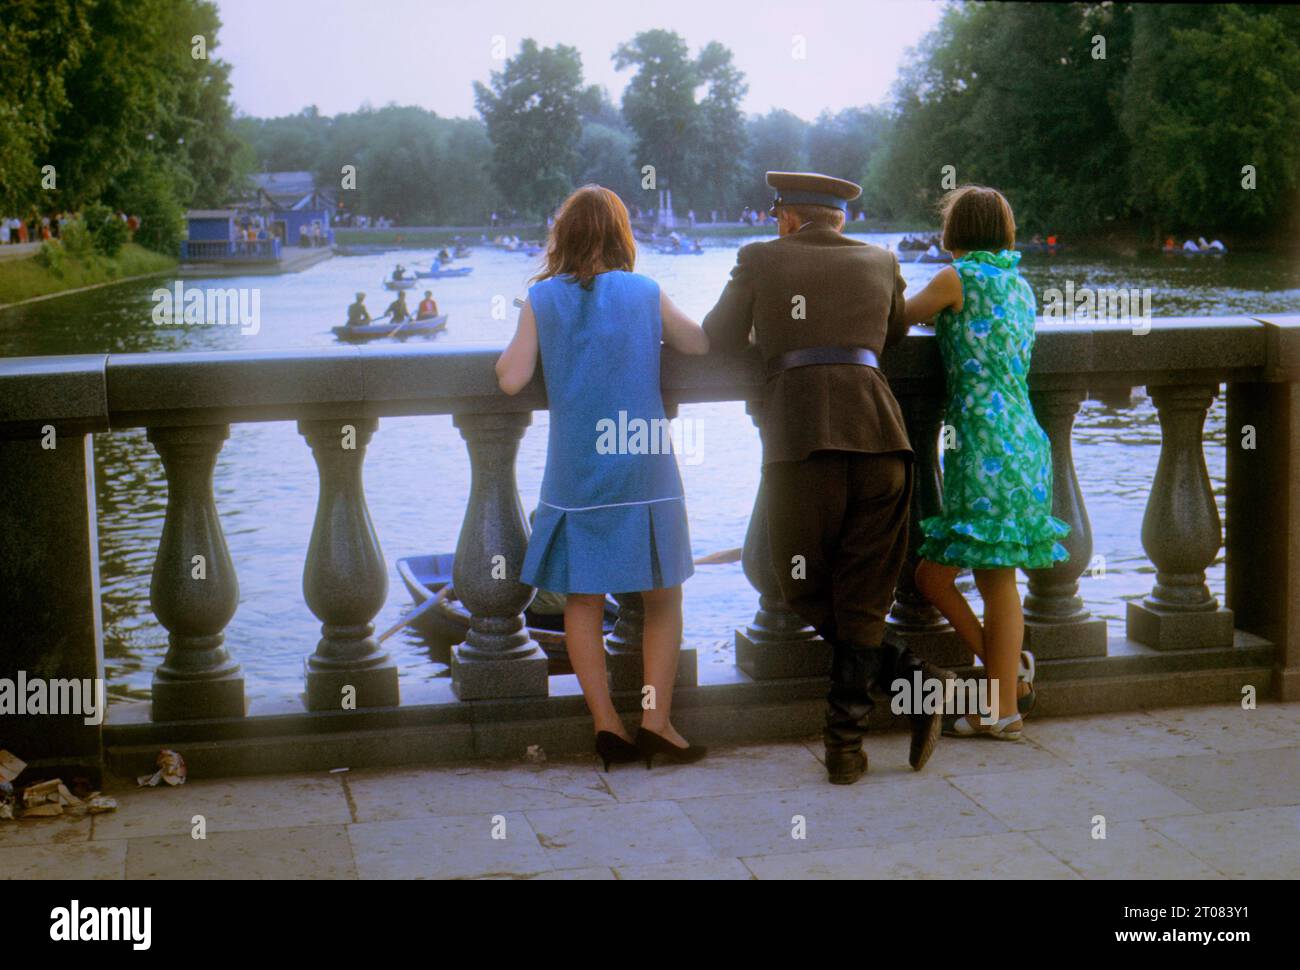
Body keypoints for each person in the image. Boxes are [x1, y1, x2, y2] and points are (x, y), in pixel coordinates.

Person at [703, 171, 951, 785]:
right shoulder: (883, 260)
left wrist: (774, 336)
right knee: (864, 593)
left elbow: (715, 338)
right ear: (839, 218)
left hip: (801, 444)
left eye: (775, 215)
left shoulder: (759, 258)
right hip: (882, 442)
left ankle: (892, 701)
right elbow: (890, 334)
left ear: (787, 216)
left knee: (796, 583)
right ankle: (855, 737)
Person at [496, 184, 710, 771]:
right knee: (663, 595)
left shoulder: (541, 299)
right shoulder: (644, 291)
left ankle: (606, 725)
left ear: (562, 237)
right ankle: (656, 722)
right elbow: (699, 341)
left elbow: (512, 379)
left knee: (583, 599)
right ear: (622, 235)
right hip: (643, 463)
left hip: (576, 470)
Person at [902, 185, 1070, 740]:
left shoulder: (958, 278)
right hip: (1025, 440)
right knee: (950, 576)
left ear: (955, 233)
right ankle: (1007, 682)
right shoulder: (1020, 286)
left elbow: (896, 318)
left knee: (991, 578)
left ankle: (1001, 709)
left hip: (983, 443)